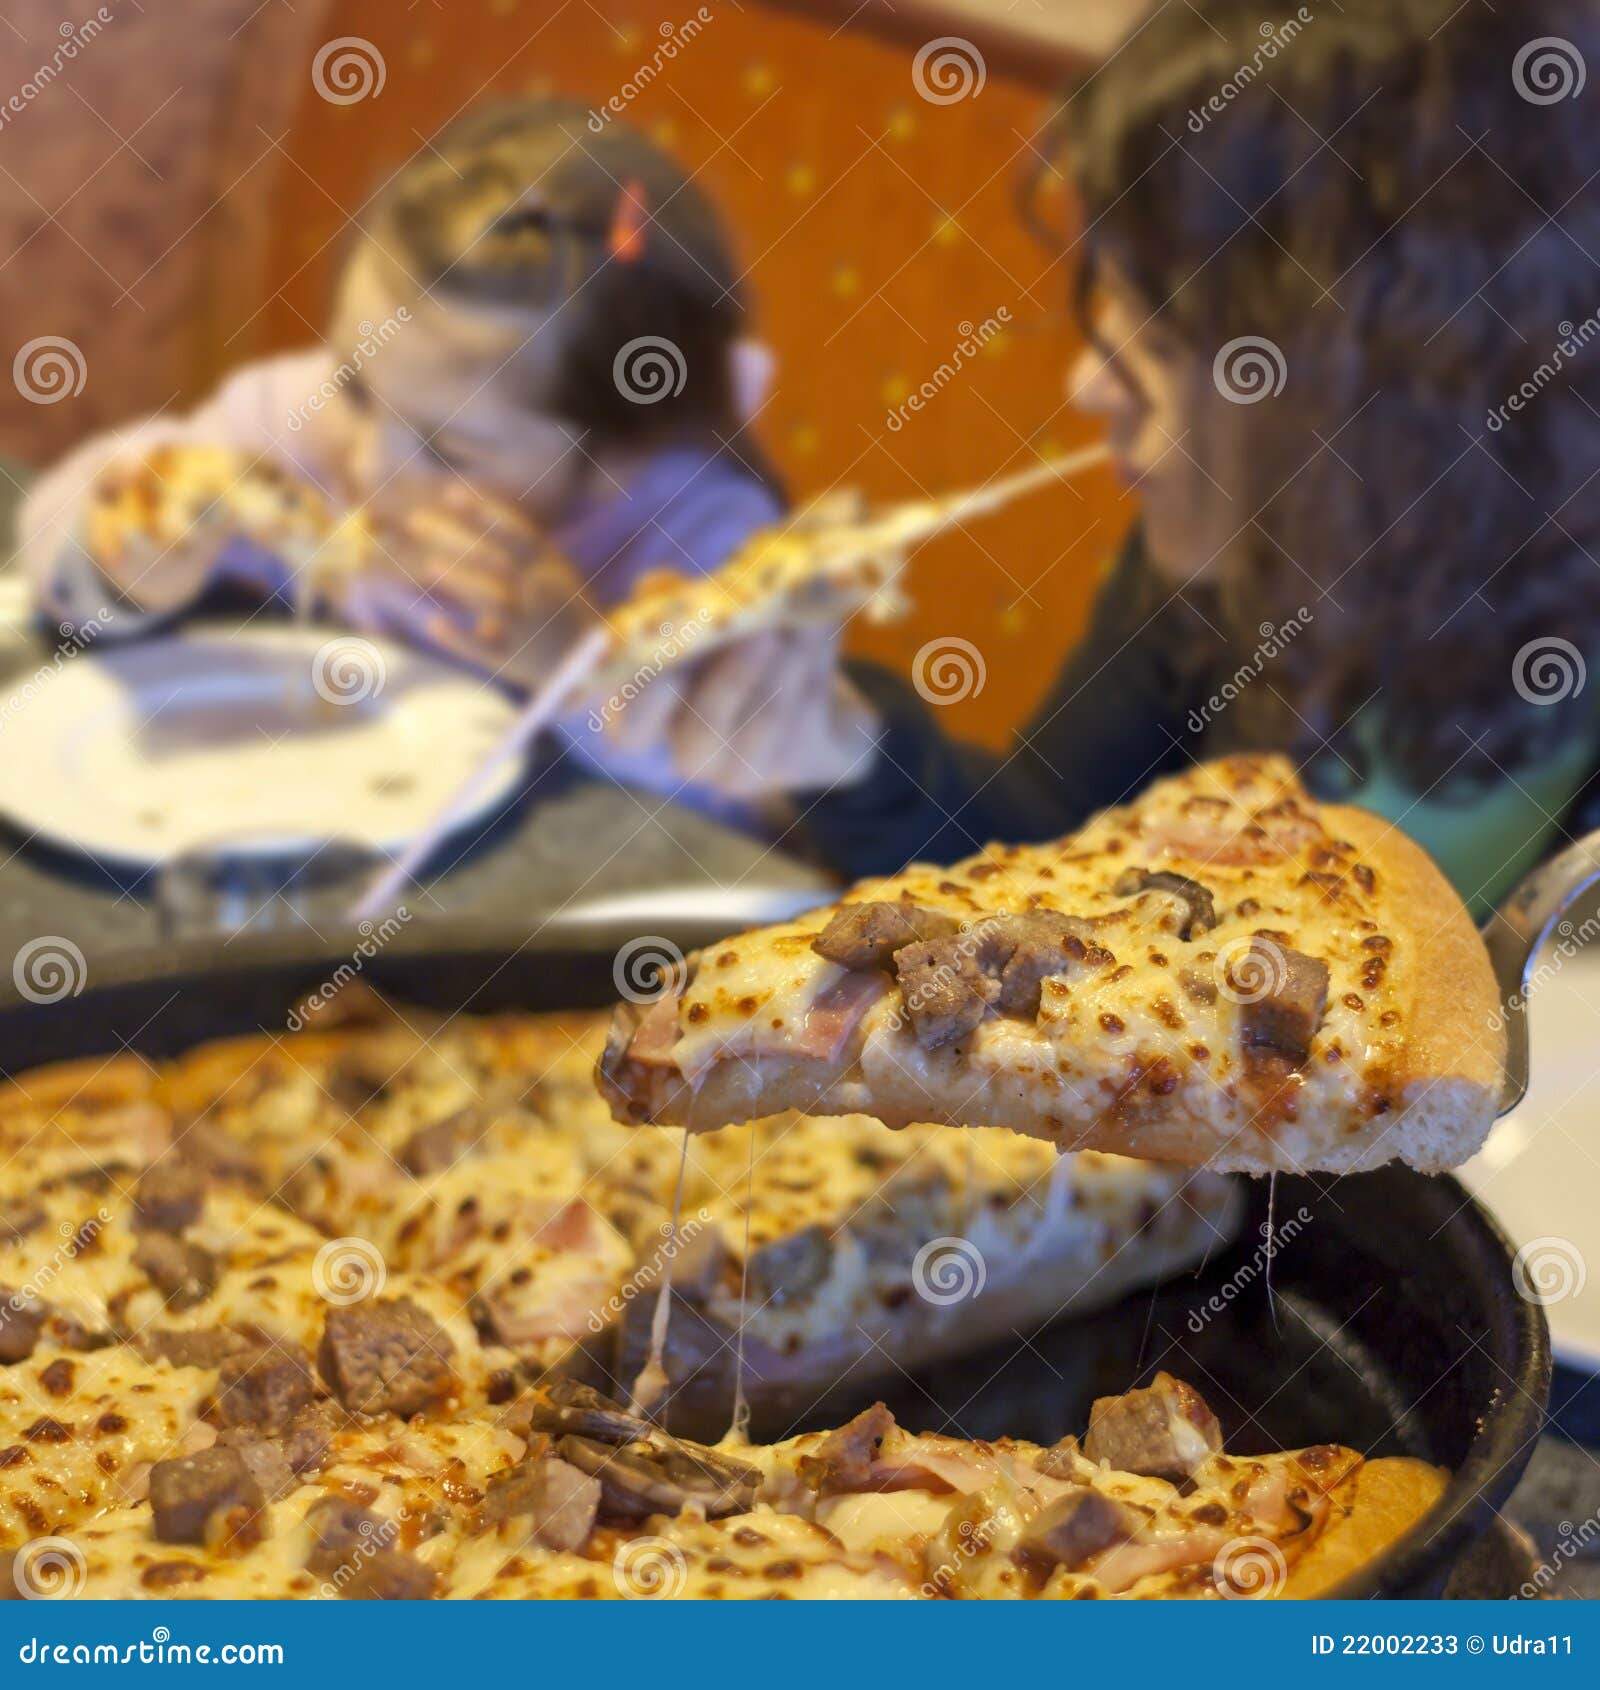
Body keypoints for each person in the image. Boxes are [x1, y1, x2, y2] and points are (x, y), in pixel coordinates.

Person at [691, 0, 1600, 915]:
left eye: (1161, 341)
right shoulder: (1223, 544)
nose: (1088, 383)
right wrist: (834, 745)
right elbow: (1046, 848)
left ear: (1404, 382)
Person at [17, 97, 867, 809]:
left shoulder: (701, 539)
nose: (368, 465)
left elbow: (726, 800)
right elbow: (69, 511)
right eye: (353, 382)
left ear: (620, 451)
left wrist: (570, 656)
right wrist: (120, 557)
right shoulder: (310, 423)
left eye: (448, 450)